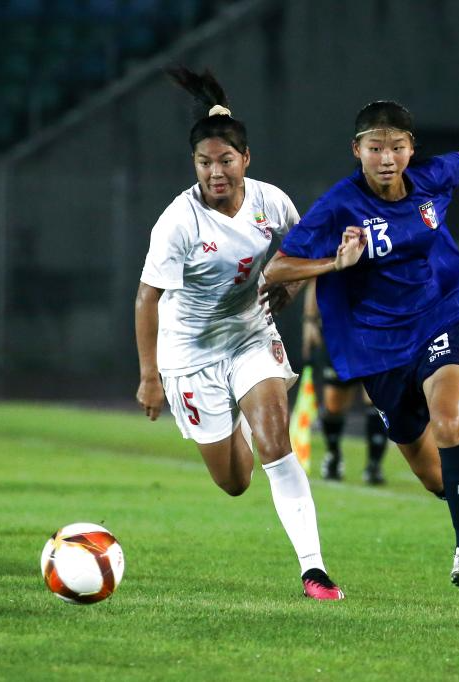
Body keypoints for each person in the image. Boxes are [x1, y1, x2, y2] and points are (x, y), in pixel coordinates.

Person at [263, 100, 459, 591]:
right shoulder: (339, 205)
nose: (387, 158)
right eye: (375, 148)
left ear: (410, 149)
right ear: (357, 150)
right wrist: (335, 263)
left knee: (450, 423)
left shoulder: (429, 180)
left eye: (396, 147)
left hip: (438, 319)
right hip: (377, 348)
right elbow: (278, 268)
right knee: (433, 477)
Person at [135, 67, 343, 600]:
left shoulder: (271, 202)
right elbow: (146, 299)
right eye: (205, 162)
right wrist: (149, 377)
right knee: (234, 482)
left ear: (245, 159)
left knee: (278, 447)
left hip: (250, 335)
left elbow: (303, 252)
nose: (215, 172)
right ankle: (237, 419)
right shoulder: (178, 222)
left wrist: (291, 288)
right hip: (188, 355)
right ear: (194, 165)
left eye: (225, 160)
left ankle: (314, 571)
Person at [301, 281, 389, 484]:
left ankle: (374, 465)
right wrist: (309, 320)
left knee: (376, 400)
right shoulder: (332, 257)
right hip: (340, 330)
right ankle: (333, 455)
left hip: (377, 328)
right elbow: (315, 279)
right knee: (334, 403)